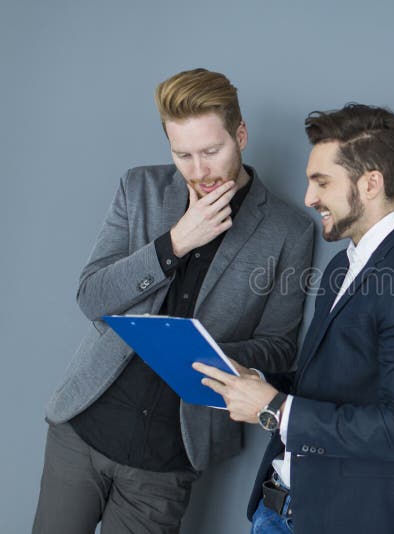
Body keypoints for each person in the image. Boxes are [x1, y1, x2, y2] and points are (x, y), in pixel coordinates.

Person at [32, 68, 314, 534]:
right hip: (82, 429)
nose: (199, 171)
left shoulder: (288, 231)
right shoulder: (138, 188)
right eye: (182, 155)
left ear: (240, 135)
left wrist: (207, 351)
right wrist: (174, 245)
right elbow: (91, 296)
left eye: (211, 151)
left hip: (169, 457)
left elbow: (281, 348)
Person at [194, 103, 394, 534]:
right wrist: (256, 381)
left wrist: (274, 409)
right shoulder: (342, 267)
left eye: (322, 182)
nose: (308, 198)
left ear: (371, 183)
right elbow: (327, 384)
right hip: (274, 510)